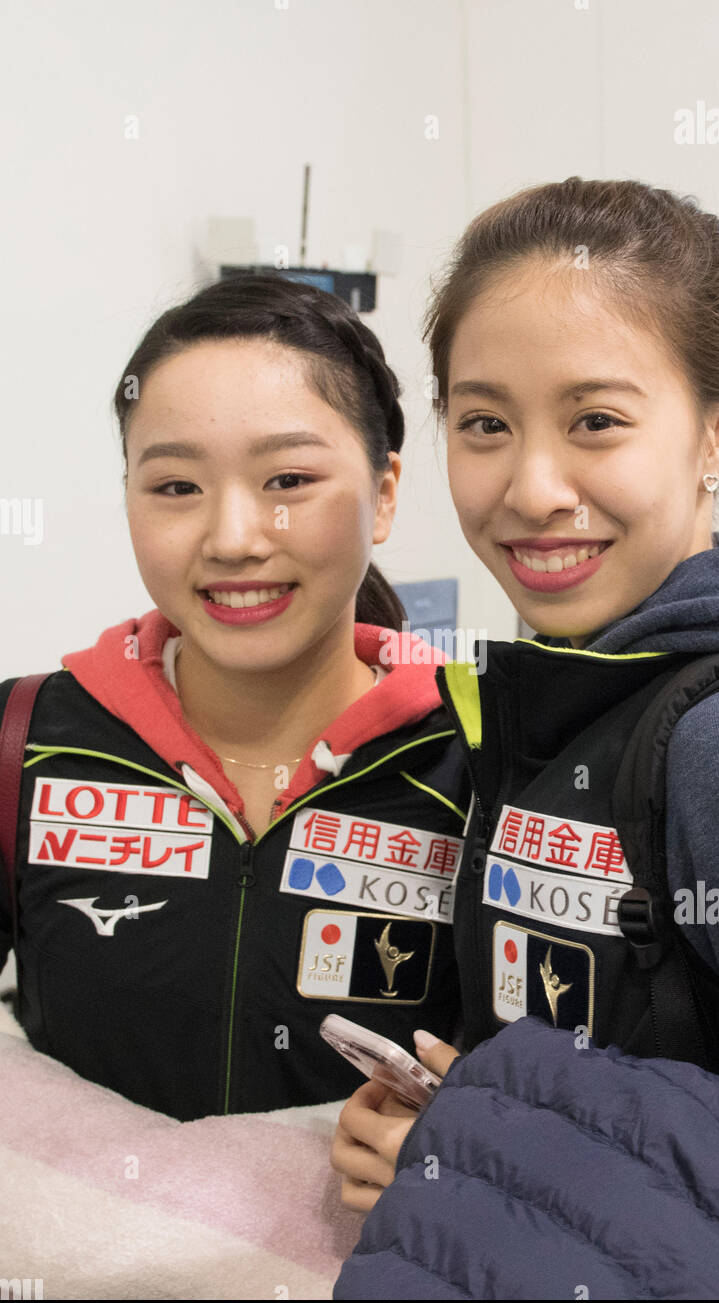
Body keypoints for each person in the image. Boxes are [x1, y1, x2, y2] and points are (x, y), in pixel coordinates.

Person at [331, 177, 719, 1298]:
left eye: (595, 422)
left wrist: (476, 1148)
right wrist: (441, 1121)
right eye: (483, 424)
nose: (531, 489)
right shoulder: (554, 692)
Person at [0, 272, 469, 1122]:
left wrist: (466, 1152)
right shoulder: (24, 741)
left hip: (381, 1258)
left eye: (289, 481)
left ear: (385, 494)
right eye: (177, 487)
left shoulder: (482, 762)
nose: (233, 538)